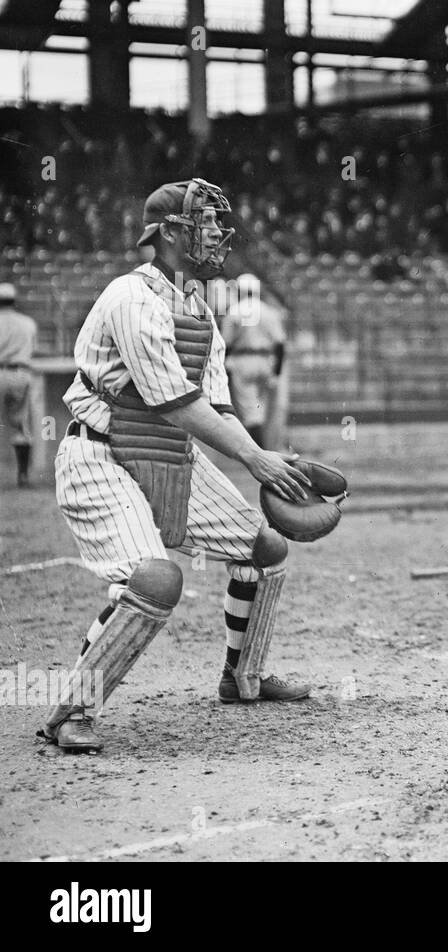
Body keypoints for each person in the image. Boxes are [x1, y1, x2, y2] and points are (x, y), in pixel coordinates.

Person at [44, 178, 315, 752]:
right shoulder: (131, 297)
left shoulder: (200, 311)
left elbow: (216, 408)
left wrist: (269, 456)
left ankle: (244, 678)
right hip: (101, 452)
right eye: (206, 223)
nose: (218, 233)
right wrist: (254, 458)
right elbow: (175, 401)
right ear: (170, 233)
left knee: (264, 551)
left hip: (168, 452)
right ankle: (72, 709)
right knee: (155, 580)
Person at [220, 272, 287, 449]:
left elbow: (226, 344)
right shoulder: (268, 310)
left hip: (243, 360)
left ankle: (262, 451)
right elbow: (280, 344)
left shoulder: (234, 311)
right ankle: (271, 448)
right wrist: (277, 373)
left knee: (250, 411)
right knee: (262, 409)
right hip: (267, 359)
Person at [0, 281, 36, 487]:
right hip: (19, 372)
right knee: (22, 425)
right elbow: (33, 349)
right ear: (13, 300)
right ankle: (23, 474)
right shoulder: (27, 322)